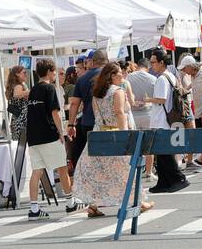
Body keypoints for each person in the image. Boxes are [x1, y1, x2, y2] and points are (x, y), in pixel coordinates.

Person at [73, 63, 153, 218]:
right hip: (115, 134)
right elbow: (119, 113)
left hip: (99, 134)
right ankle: (139, 202)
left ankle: (92, 205)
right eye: (119, 73)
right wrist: (124, 135)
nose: (122, 75)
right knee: (126, 170)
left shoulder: (97, 93)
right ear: (111, 75)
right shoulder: (117, 91)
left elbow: (97, 116)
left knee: (96, 171)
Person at [23, 59, 77, 218]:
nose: (55, 74)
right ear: (48, 72)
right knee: (62, 167)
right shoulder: (50, 88)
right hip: (49, 134)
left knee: (37, 171)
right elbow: (55, 113)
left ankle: (34, 208)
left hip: (33, 136)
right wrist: (61, 132)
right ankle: (70, 203)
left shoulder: (33, 90)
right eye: (54, 71)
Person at [146, 49, 188, 194]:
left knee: (164, 154)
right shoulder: (171, 76)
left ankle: (178, 178)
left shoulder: (162, 78)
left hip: (161, 119)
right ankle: (163, 181)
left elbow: (161, 99)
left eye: (153, 62)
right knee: (162, 154)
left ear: (161, 62)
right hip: (168, 118)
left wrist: (147, 100)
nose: (151, 65)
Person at [66, 49, 106, 172]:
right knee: (105, 158)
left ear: (92, 61)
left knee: (91, 157)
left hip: (87, 122)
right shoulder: (109, 76)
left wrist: (71, 124)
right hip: (107, 123)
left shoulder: (82, 79)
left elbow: (74, 104)